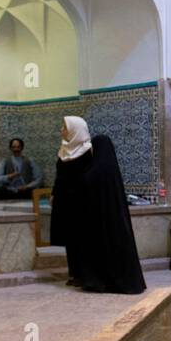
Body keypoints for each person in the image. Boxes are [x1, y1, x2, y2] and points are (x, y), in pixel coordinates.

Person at [74, 134, 146, 293]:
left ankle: (101, 282)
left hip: (99, 221)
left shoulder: (95, 170)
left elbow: (85, 189)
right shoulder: (111, 168)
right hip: (114, 221)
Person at [50, 116, 93, 287]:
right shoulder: (64, 151)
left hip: (80, 202)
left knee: (82, 238)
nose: (62, 130)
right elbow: (60, 177)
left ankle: (84, 274)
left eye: (65, 127)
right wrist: (54, 193)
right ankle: (74, 273)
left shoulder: (87, 151)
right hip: (64, 201)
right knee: (70, 238)